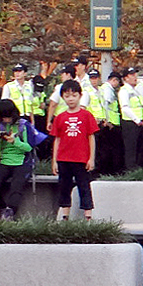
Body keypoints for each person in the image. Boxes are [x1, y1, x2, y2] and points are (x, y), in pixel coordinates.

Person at [49, 79, 98, 221]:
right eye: (67, 96)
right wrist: (55, 161)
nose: (71, 99)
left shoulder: (86, 115)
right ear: (63, 97)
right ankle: (65, 216)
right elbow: (57, 139)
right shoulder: (60, 117)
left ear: (80, 96)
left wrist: (91, 158)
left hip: (81, 159)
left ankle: (88, 216)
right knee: (64, 187)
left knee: (84, 186)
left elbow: (91, 137)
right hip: (63, 158)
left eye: (74, 95)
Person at [0, 99, 35, 220]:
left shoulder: (24, 125)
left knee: (16, 186)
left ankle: (11, 210)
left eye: (8, 117)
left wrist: (15, 142)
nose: (6, 120)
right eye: (3, 118)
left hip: (21, 161)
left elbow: (29, 147)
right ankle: (2, 207)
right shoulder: (1, 126)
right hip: (4, 161)